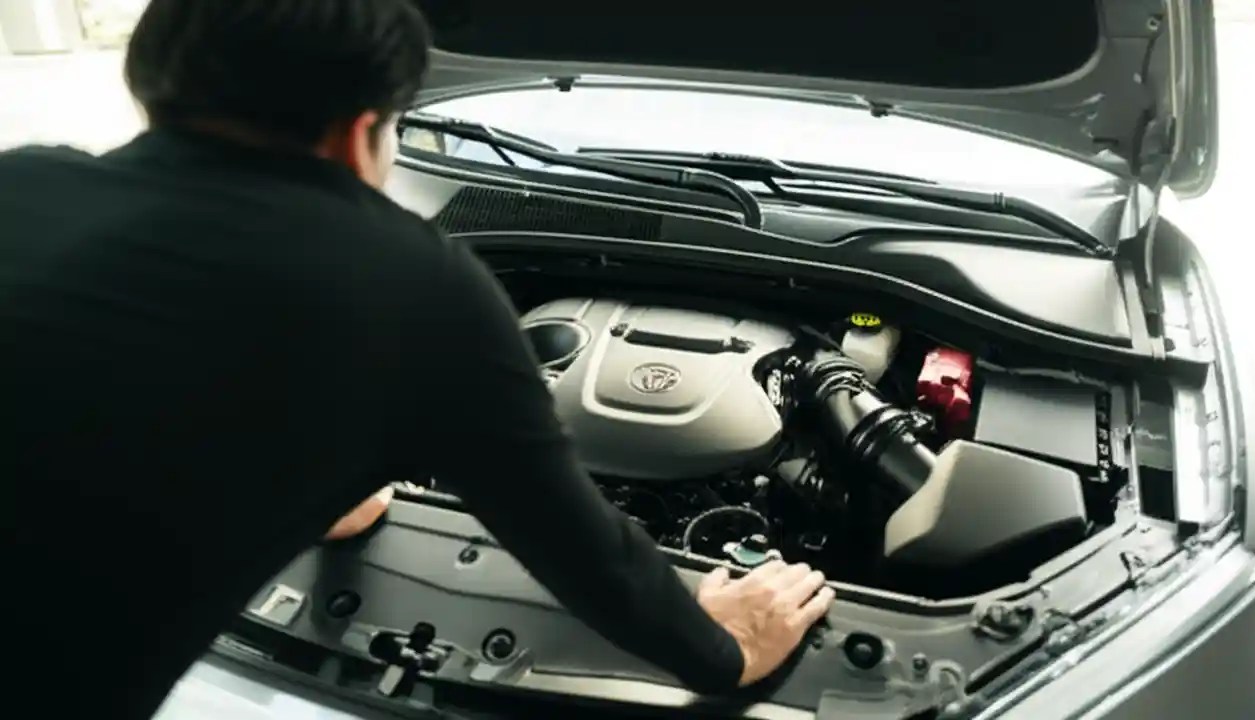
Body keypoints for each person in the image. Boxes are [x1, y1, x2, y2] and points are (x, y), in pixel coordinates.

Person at [0, 1, 834, 717]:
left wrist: (315, 484)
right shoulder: (410, 283)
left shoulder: (22, 183)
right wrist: (725, 649)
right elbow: (589, 559)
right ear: (360, 132)